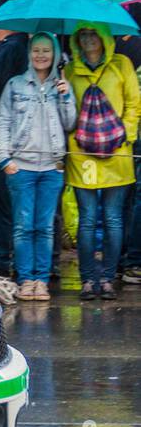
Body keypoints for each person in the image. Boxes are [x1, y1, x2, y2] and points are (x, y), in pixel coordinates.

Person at [0, 32, 76, 301]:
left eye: (46, 50)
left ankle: (40, 280)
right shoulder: (16, 85)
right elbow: (3, 121)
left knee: (44, 227)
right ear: (29, 54)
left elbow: (70, 123)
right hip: (22, 166)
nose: (41, 55)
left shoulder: (62, 86)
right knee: (23, 226)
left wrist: (65, 97)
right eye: (36, 50)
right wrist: (5, 160)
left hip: (52, 167)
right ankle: (25, 278)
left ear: (54, 54)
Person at [64, 22, 141, 300]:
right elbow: (68, 111)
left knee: (112, 219)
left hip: (117, 152)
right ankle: (88, 280)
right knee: (87, 219)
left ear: (104, 37)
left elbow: (134, 103)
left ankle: (107, 278)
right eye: (82, 35)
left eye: (93, 34)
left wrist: (126, 136)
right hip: (82, 154)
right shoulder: (71, 70)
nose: (88, 40)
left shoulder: (122, 65)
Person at [0, 29, 30, 275]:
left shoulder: (10, 47)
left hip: (6, 141)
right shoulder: (25, 48)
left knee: (4, 205)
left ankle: (1, 261)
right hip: (22, 142)